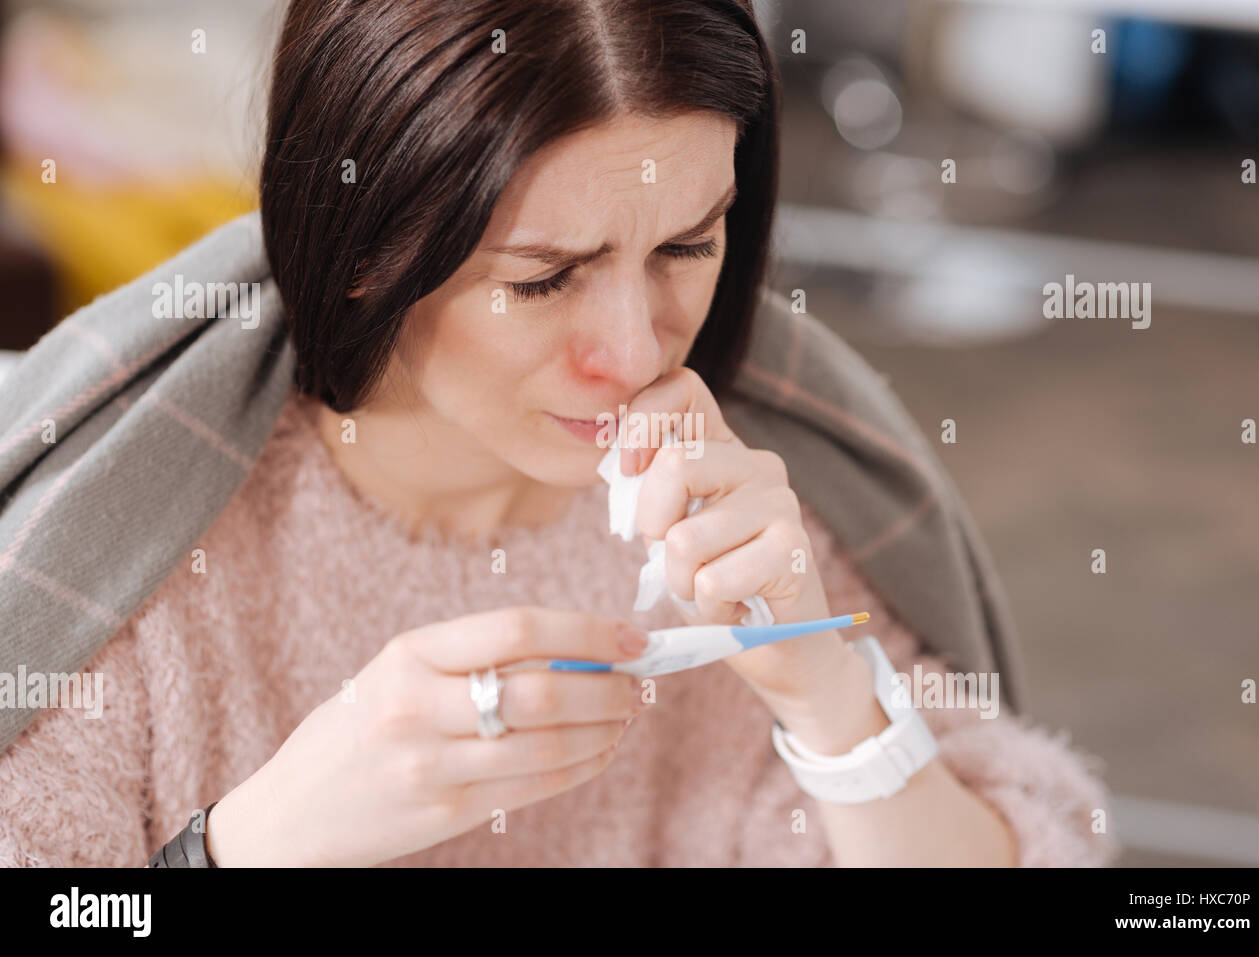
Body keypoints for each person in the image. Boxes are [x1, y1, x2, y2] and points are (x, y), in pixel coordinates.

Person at [0, 0, 1117, 868]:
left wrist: (824, 695)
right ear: (362, 248)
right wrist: (250, 846)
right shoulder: (132, 554)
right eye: (543, 279)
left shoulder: (759, 507)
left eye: (687, 246)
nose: (634, 352)